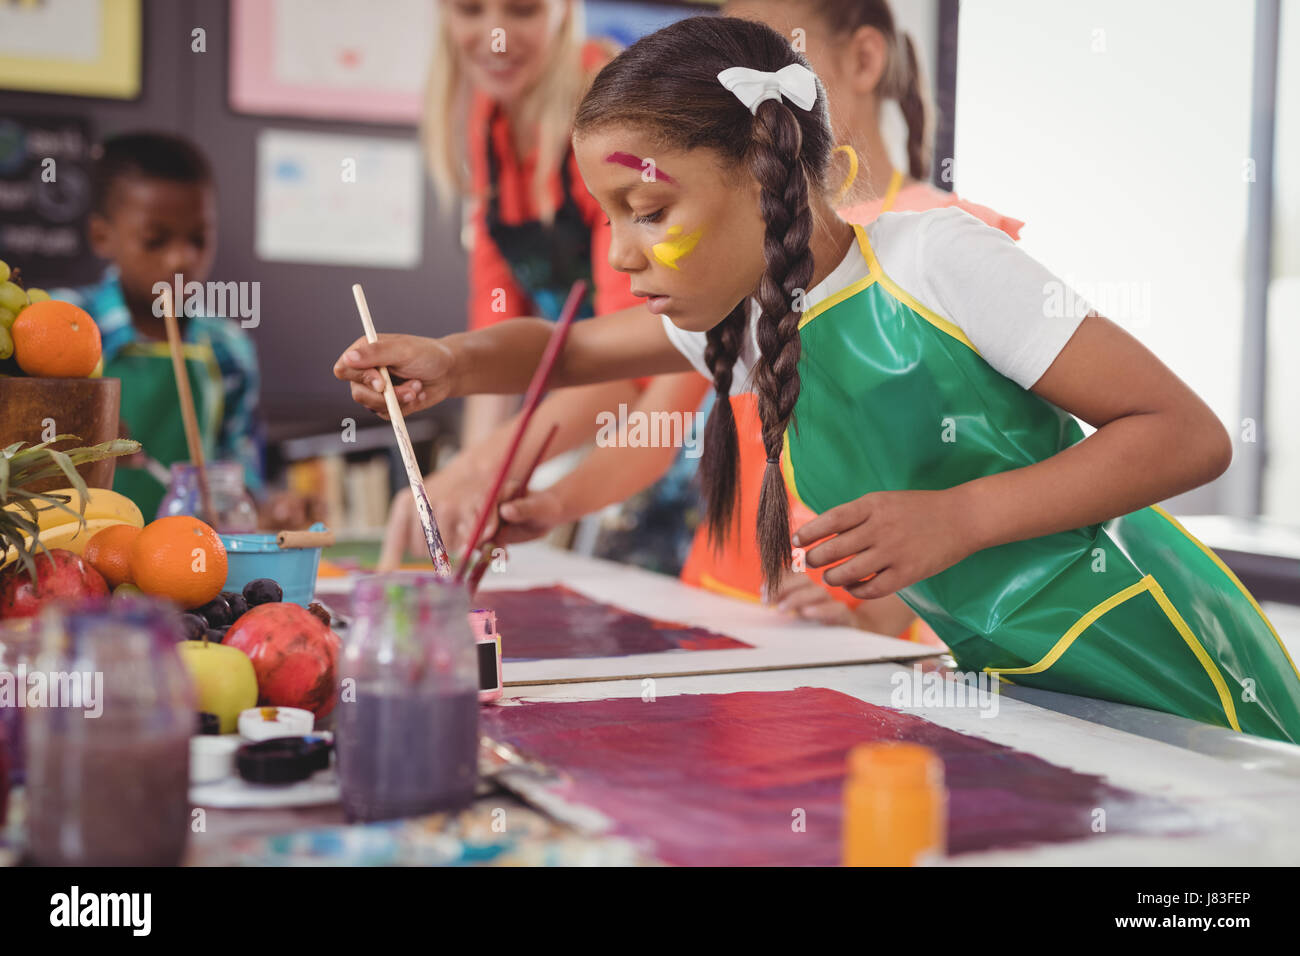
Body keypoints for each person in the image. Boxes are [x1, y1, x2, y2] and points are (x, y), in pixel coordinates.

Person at [337, 16, 1300, 742]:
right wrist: (453, 362)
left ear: (763, 178)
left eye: (646, 207)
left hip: (1164, 654)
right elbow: (574, 350)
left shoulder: (935, 260)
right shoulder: (751, 318)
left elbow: (1187, 435)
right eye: (609, 213)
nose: (622, 254)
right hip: (1023, 683)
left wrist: (959, 518)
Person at [393, 0, 1021, 641]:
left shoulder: (938, 248)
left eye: (767, 52)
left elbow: (985, 470)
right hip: (725, 602)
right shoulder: (733, 273)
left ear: (860, 60)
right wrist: (513, 467)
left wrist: (889, 607)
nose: (621, 251)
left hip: (866, 635)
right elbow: (593, 364)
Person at [379, 0, 702, 570]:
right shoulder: (490, 117)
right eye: (470, 10)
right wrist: (467, 473)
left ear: (565, 13)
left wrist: (479, 472)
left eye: (523, 11)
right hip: (591, 397)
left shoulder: (610, 110)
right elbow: (494, 328)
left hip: (677, 416)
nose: (494, 37)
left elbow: (635, 354)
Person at [54, 131, 264, 520]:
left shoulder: (228, 347)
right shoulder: (59, 324)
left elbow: (240, 475)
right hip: (73, 562)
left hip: (190, 567)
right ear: (102, 236)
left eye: (199, 240)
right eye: (155, 240)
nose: (181, 259)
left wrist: (264, 505)